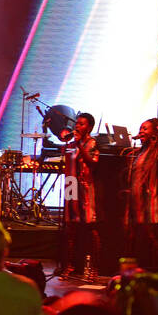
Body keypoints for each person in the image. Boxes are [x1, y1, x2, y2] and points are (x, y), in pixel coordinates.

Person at [126, 118, 158, 271]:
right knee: (138, 243)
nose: (141, 131)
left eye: (145, 129)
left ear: (153, 131)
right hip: (137, 206)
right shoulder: (141, 151)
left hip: (151, 206)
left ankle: (154, 273)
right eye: (140, 128)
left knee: (152, 240)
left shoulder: (156, 149)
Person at [58, 111, 99, 278]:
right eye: (77, 123)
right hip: (70, 186)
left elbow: (92, 161)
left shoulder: (91, 142)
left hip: (84, 186)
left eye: (81, 124)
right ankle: (69, 266)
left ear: (89, 127)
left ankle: (94, 268)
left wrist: (78, 145)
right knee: (70, 228)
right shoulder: (72, 143)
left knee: (90, 227)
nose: (77, 126)